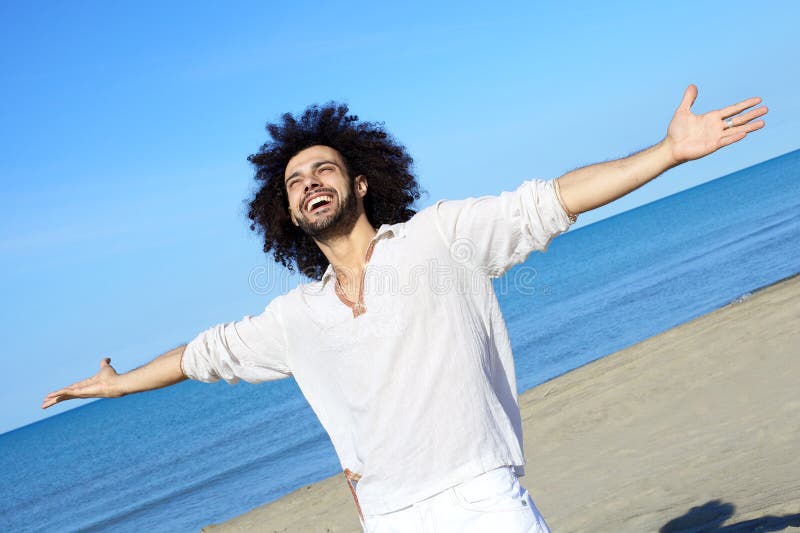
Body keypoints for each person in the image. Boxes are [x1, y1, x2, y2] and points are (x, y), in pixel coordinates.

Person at [42, 85, 766, 532]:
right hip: (389, 519)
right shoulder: (292, 319)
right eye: (295, 181)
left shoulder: (439, 238)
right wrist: (118, 384)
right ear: (287, 213)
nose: (309, 182)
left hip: (483, 499)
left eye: (323, 169)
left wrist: (667, 153)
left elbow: (551, 201)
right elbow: (202, 356)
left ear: (360, 184)